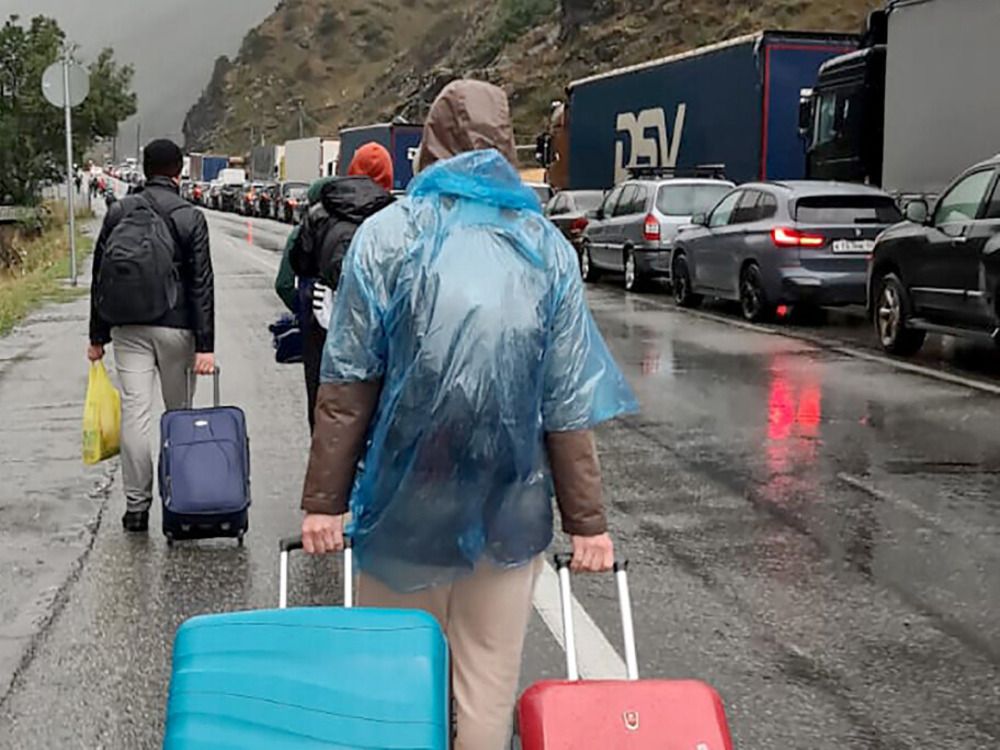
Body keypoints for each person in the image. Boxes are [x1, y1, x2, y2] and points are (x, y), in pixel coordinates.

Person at [298, 80, 637, 749]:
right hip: (507, 503)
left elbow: (348, 384)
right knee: (485, 683)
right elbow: (566, 398)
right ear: (506, 144)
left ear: (429, 144)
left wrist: (323, 503)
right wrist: (588, 524)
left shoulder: (385, 238)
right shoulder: (545, 248)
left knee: (392, 682)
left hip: (403, 500)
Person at [87, 139, 215, 533]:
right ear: (179, 172)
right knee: (178, 417)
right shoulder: (189, 216)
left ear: (144, 170)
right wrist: (206, 346)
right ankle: (180, 503)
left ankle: (136, 507)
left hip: (128, 328)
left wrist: (97, 335)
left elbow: (99, 276)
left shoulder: (118, 212)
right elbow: (201, 285)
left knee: (135, 416)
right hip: (176, 329)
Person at [278, 142, 394, 432]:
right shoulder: (397, 218)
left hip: (321, 324)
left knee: (324, 410)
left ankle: (327, 469)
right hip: (379, 328)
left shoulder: (317, 216)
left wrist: (306, 312)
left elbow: (286, 280)